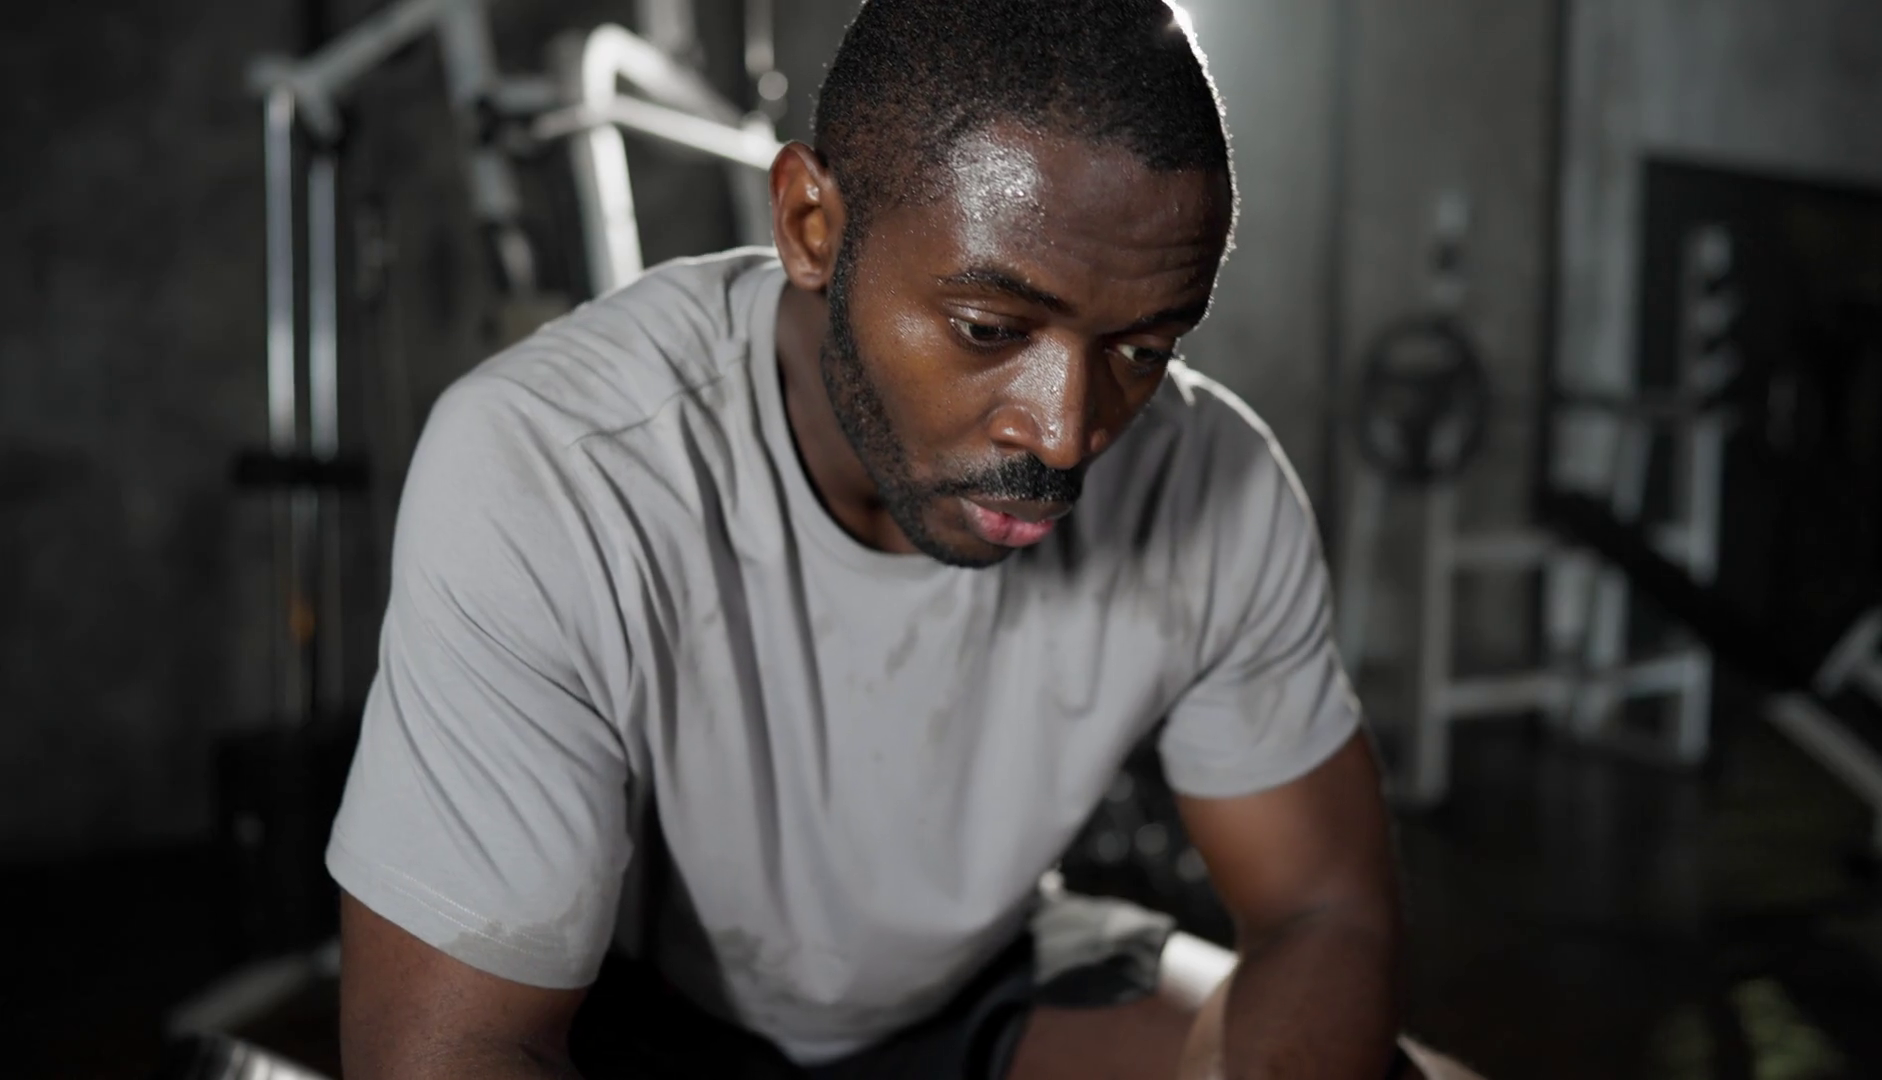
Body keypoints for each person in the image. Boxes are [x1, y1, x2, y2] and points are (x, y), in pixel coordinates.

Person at [329, 1, 1481, 1077]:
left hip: (981, 981)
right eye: (991, 327)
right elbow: (454, 1054)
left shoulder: (1214, 482)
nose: (1068, 431)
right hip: (638, 1018)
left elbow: (1321, 908)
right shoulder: (555, 466)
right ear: (811, 225)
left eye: (1141, 349)